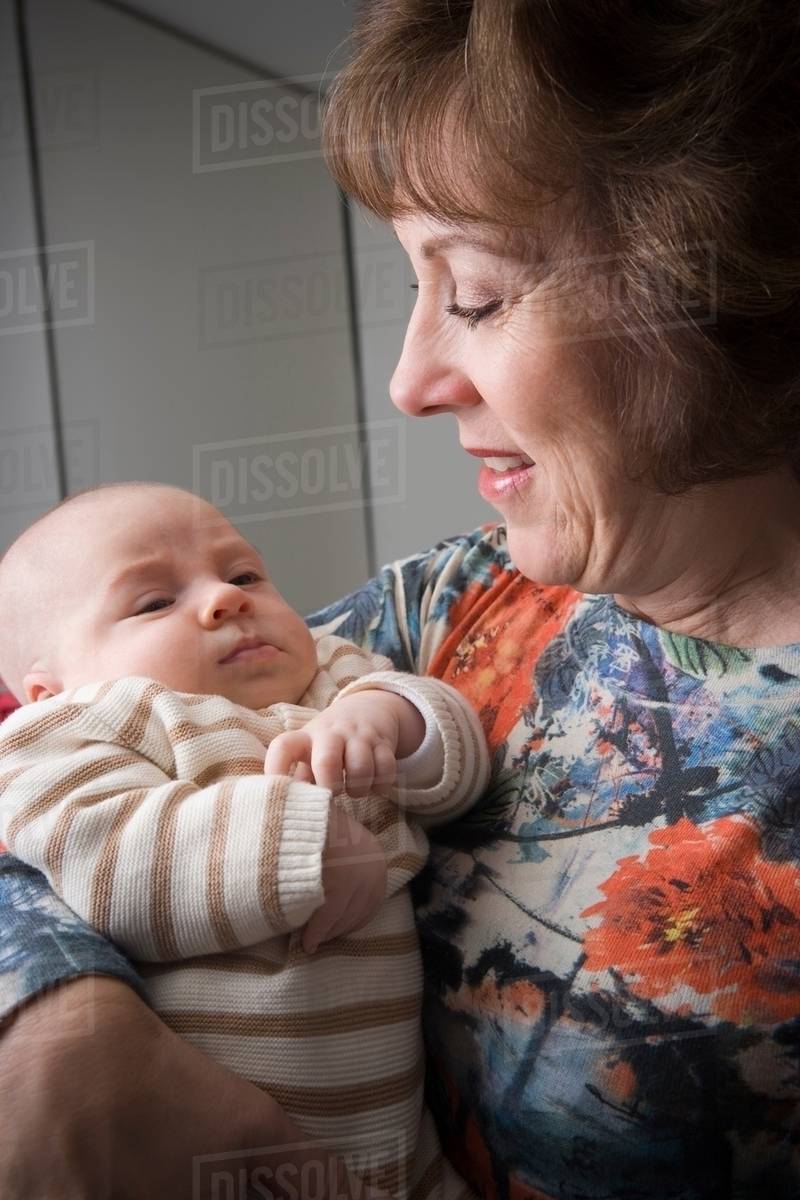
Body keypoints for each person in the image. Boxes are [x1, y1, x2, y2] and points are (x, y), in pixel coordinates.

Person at [2, 0, 800, 1196]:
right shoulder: (445, 607)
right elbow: (51, 760)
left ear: (716, 286)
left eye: (472, 292)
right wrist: (56, 1028)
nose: (409, 379)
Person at [0, 481, 488, 1200]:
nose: (225, 600)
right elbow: (103, 858)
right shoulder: (77, 728)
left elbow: (460, 763)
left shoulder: (332, 677)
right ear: (51, 688)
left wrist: (390, 722)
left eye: (243, 574)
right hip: (206, 1154)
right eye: (153, 602)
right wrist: (298, 837)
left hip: (401, 1154)